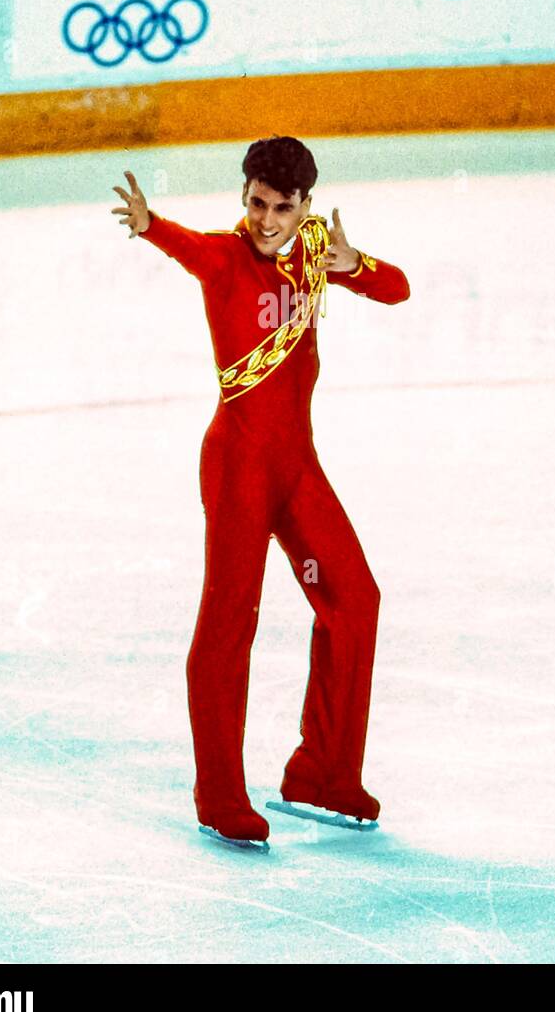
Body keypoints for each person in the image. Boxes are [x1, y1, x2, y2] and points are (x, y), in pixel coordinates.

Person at [111, 137, 410, 845]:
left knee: (354, 599)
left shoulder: (312, 251)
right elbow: (182, 244)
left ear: (304, 204)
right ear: (242, 197)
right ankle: (219, 794)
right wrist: (150, 223)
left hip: (296, 466)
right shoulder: (222, 257)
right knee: (229, 620)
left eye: (281, 207)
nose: (266, 219)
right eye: (255, 203)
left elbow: (397, 288)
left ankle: (321, 773)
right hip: (239, 464)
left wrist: (353, 263)